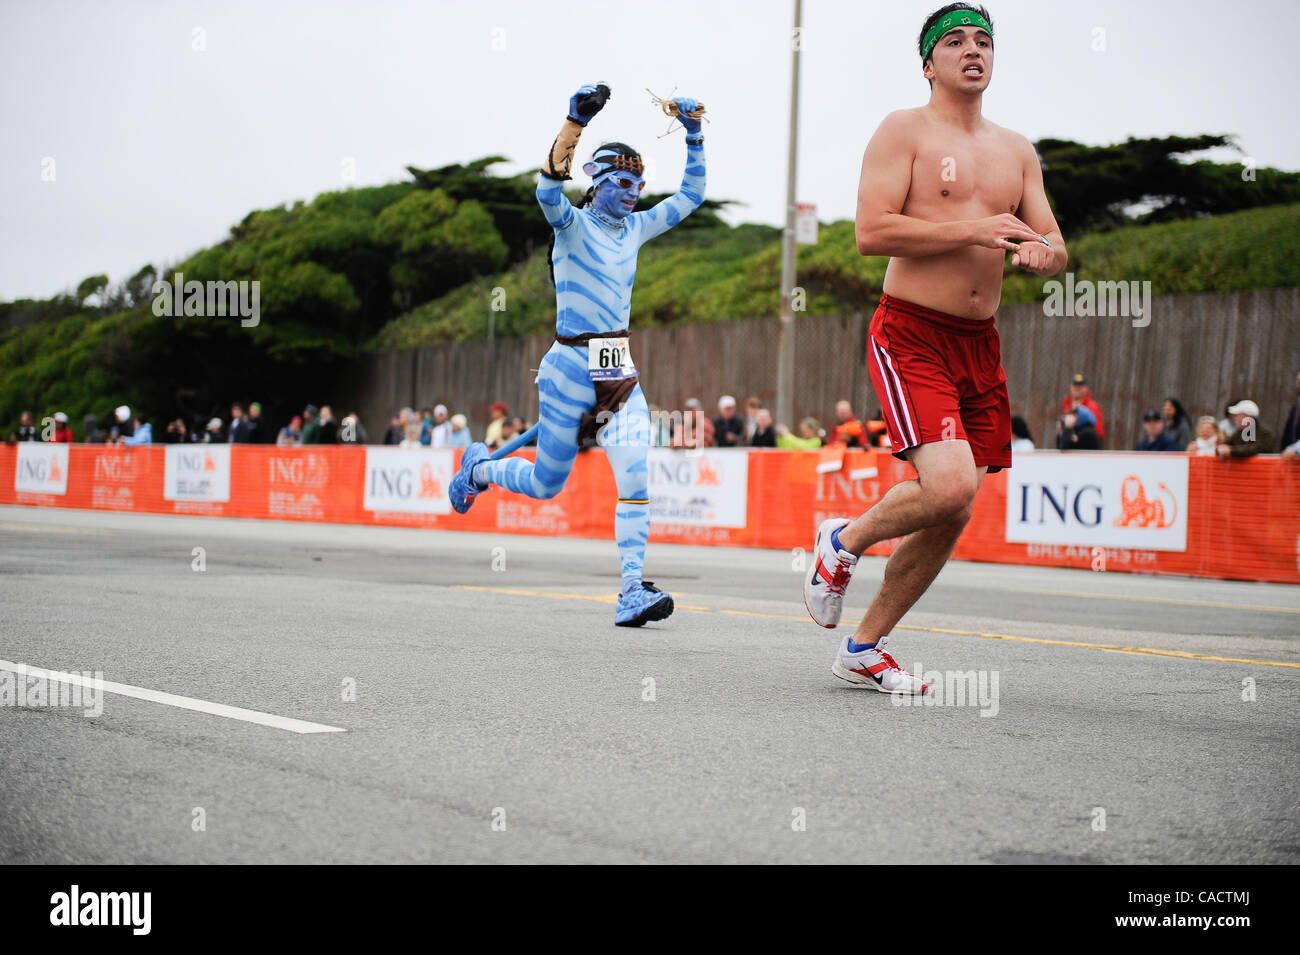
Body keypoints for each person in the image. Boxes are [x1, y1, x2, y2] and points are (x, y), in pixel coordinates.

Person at [804, 3, 1067, 694]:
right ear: (929, 63)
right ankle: (842, 539)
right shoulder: (904, 130)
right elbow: (871, 232)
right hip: (912, 330)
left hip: (980, 345)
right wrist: (973, 229)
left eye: (983, 41)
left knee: (955, 505)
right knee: (947, 483)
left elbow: (1053, 241)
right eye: (954, 41)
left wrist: (1045, 256)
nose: (972, 50)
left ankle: (865, 645)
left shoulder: (1016, 150)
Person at [449, 82, 706, 628]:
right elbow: (545, 193)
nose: (632, 192)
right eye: (621, 181)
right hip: (566, 369)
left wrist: (695, 136)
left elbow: (690, 198)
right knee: (546, 485)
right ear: (595, 180)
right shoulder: (571, 225)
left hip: (619, 370)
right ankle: (484, 473)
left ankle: (631, 589)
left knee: (636, 477)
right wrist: (573, 123)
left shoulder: (636, 228)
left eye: (638, 183)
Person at [1061, 373, 1105, 445]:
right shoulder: (1067, 404)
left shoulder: (1092, 406)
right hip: (1068, 441)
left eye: (1080, 386)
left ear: (1086, 388)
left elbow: (1098, 432)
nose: (1077, 388)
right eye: (1075, 385)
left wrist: (1080, 436)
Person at [1280, 371, 1300, 451]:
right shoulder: (1296, 407)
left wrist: (1295, 450)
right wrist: (1284, 449)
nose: (1298, 384)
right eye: (1298, 380)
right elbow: (1288, 432)